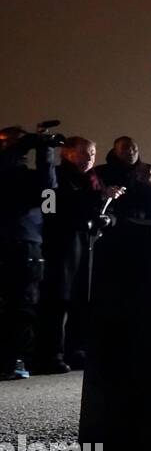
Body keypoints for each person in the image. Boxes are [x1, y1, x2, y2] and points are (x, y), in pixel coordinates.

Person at [36, 137, 120, 373]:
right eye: (83, 153)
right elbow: (55, 207)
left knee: (81, 299)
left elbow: (110, 212)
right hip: (62, 244)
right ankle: (52, 353)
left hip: (87, 243)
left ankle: (76, 349)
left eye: (93, 154)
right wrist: (99, 198)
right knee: (58, 299)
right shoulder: (59, 176)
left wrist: (107, 219)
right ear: (68, 153)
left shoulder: (94, 180)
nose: (89, 158)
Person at [0, 125, 58, 380]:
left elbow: (49, 196)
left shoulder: (27, 176)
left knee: (23, 307)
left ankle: (16, 359)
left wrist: (45, 149)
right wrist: (28, 142)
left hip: (27, 245)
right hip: (10, 242)